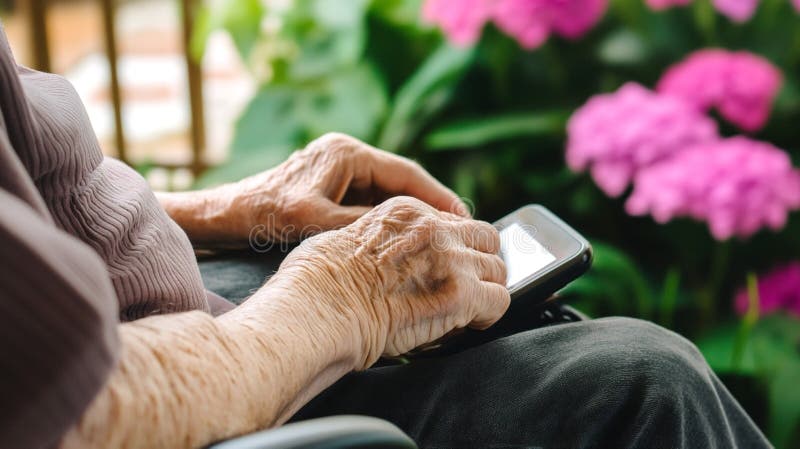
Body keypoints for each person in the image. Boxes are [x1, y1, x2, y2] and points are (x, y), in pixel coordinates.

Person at [0, 26, 770, 449]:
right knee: (638, 384)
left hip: (158, 313)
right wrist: (347, 295)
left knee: (513, 320)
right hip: (151, 394)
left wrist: (220, 209)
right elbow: (72, 404)